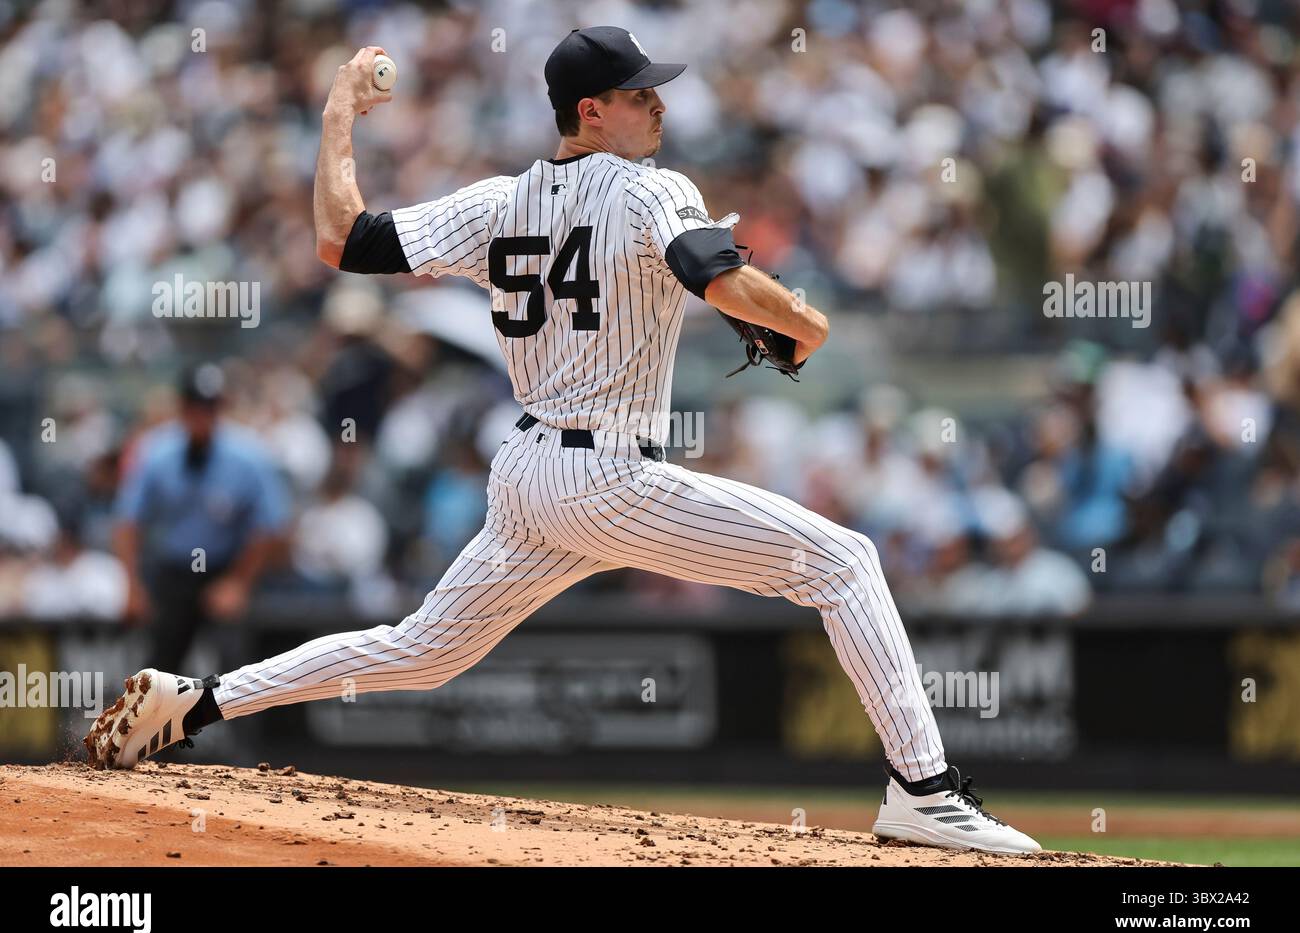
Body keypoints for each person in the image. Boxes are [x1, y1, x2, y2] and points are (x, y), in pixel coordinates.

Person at [85, 28, 1039, 855]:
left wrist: (338, 110)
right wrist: (802, 319)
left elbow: (341, 239)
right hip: (608, 470)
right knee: (844, 561)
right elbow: (714, 273)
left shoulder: (497, 204)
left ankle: (194, 703)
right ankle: (926, 796)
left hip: (533, 472)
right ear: (591, 110)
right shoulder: (646, 189)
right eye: (638, 93)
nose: (658, 104)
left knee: (420, 651)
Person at [113, 363, 289, 677]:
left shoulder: (249, 456)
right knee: (158, 672)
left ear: (220, 408)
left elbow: (270, 526)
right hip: (172, 574)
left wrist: (239, 582)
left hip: (225, 568)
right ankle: (156, 727)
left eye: (208, 407)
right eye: (194, 406)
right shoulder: (156, 451)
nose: (200, 415)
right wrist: (132, 585)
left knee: (239, 672)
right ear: (181, 407)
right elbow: (128, 521)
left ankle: (241, 726)